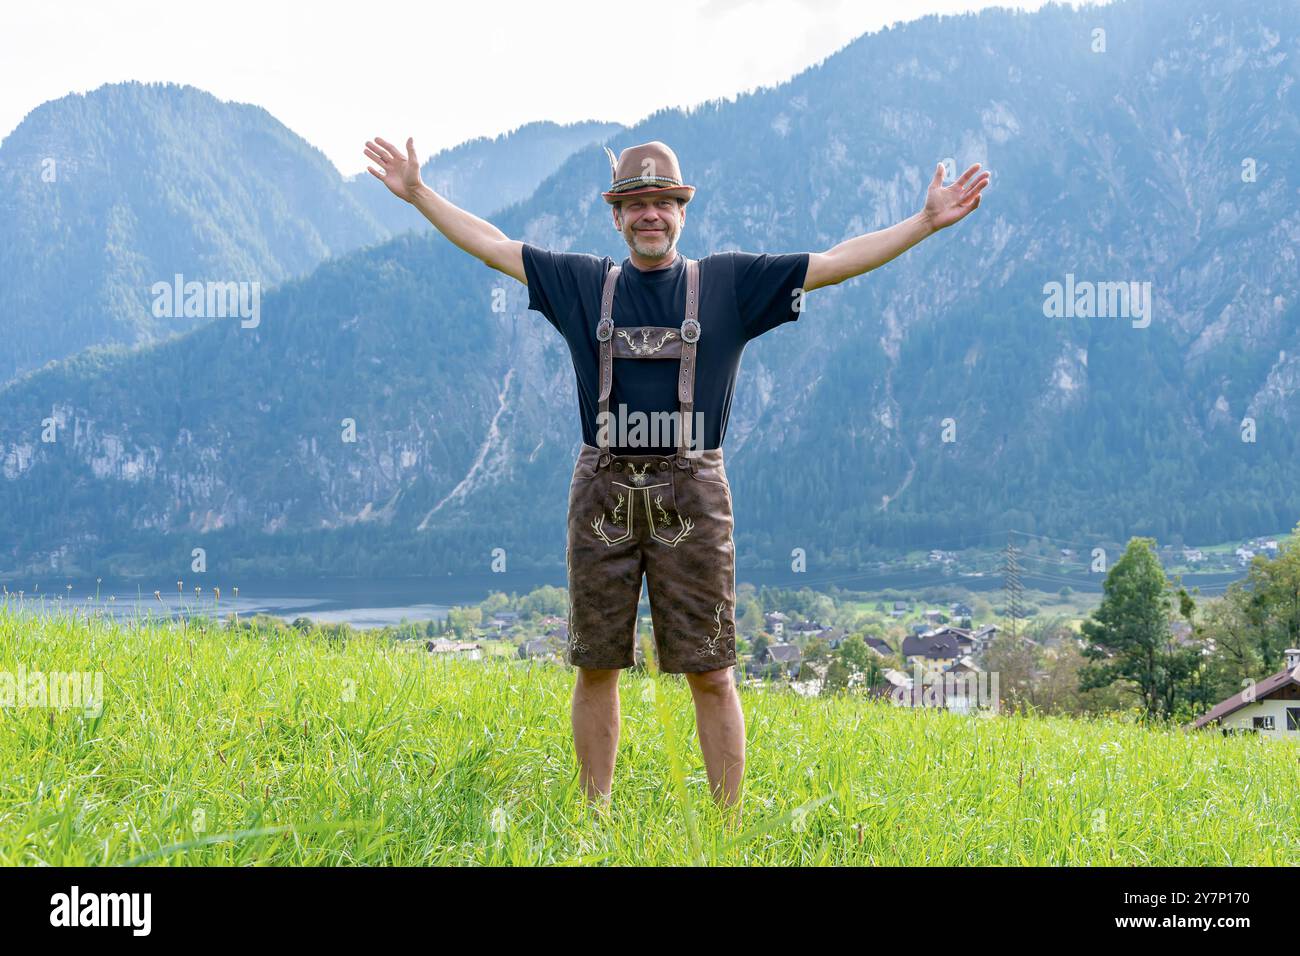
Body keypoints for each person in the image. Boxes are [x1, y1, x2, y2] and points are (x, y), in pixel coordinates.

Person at [363, 135, 988, 819]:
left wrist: (924, 223)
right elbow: (494, 246)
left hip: (696, 494)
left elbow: (833, 264)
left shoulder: (730, 284)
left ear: (682, 210)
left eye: (663, 201)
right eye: (636, 203)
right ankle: (594, 820)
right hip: (601, 490)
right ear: (617, 217)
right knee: (595, 665)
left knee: (714, 671)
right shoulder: (581, 283)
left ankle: (727, 830)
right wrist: (420, 193)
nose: (650, 214)